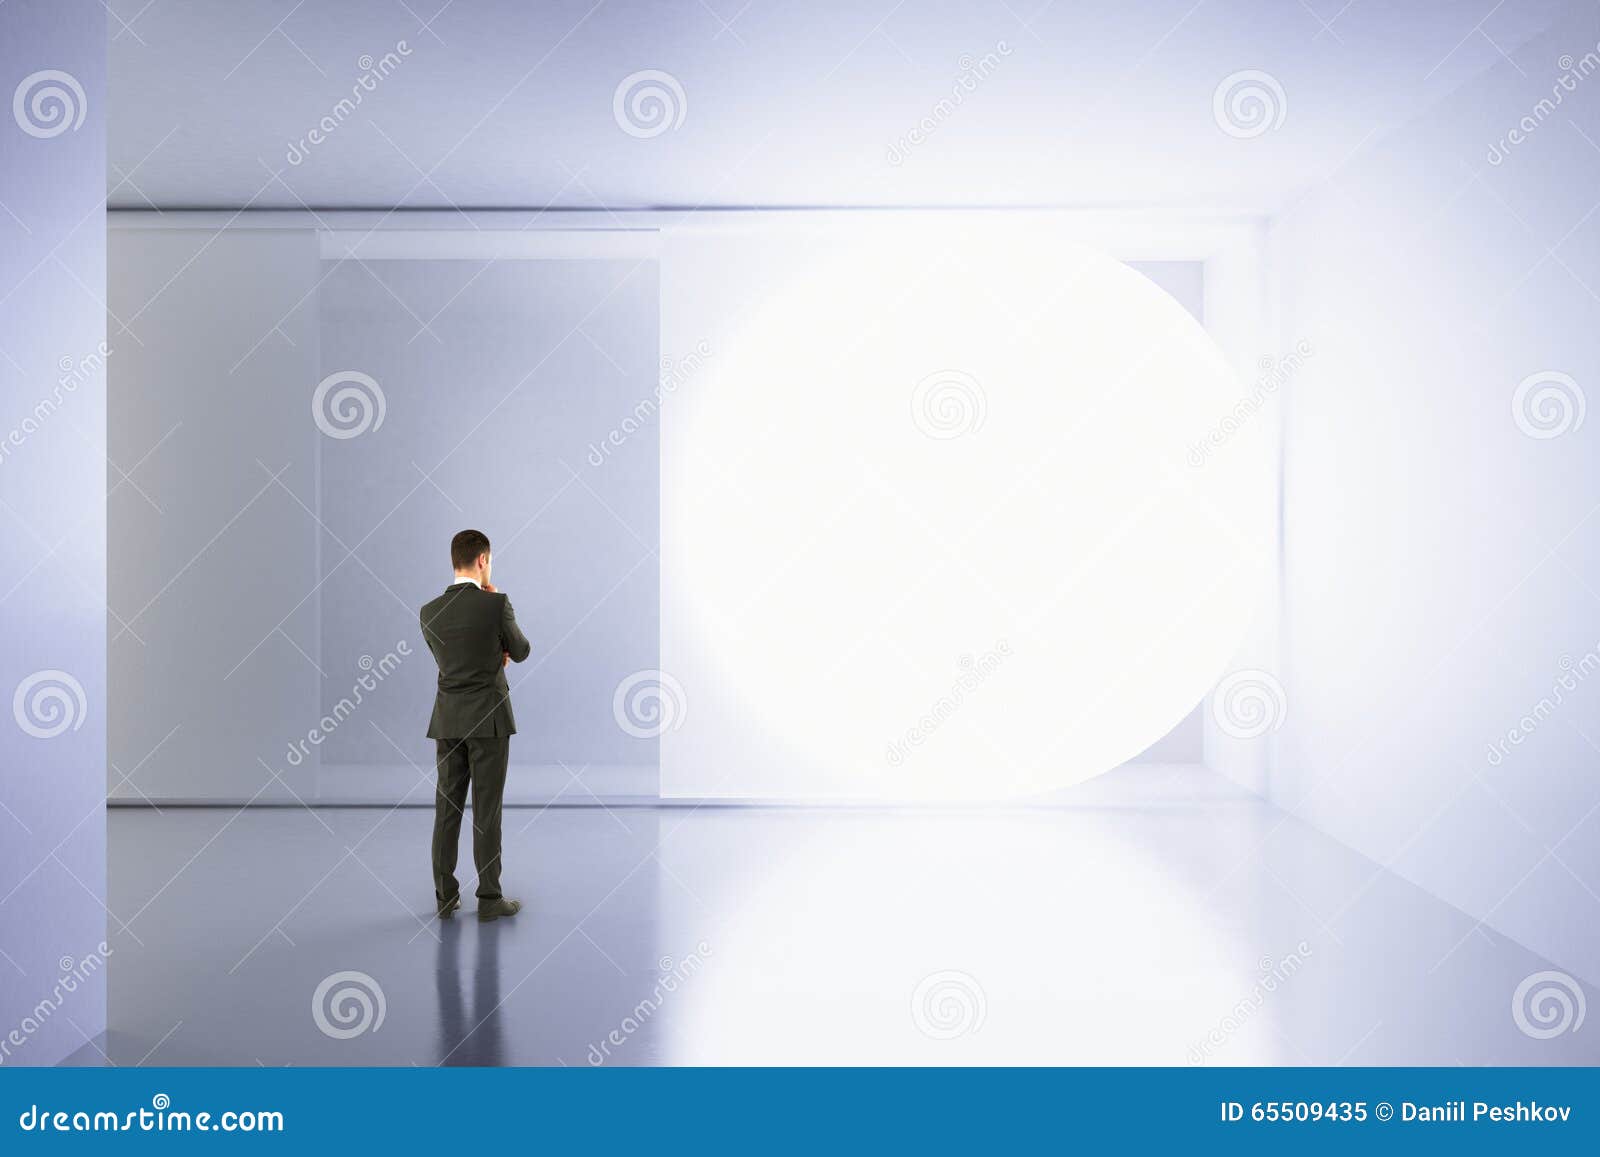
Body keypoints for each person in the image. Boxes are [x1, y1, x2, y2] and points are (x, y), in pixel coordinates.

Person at [419, 529, 531, 920]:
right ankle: (489, 898)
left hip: (448, 720)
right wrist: (498, 634)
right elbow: (520, 651)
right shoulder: (496, 604)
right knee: (487, 809)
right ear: (483, 560)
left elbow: (449, 662)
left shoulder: (428, 611)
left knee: (446, 809)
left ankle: (445, 897)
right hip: (490, 720)